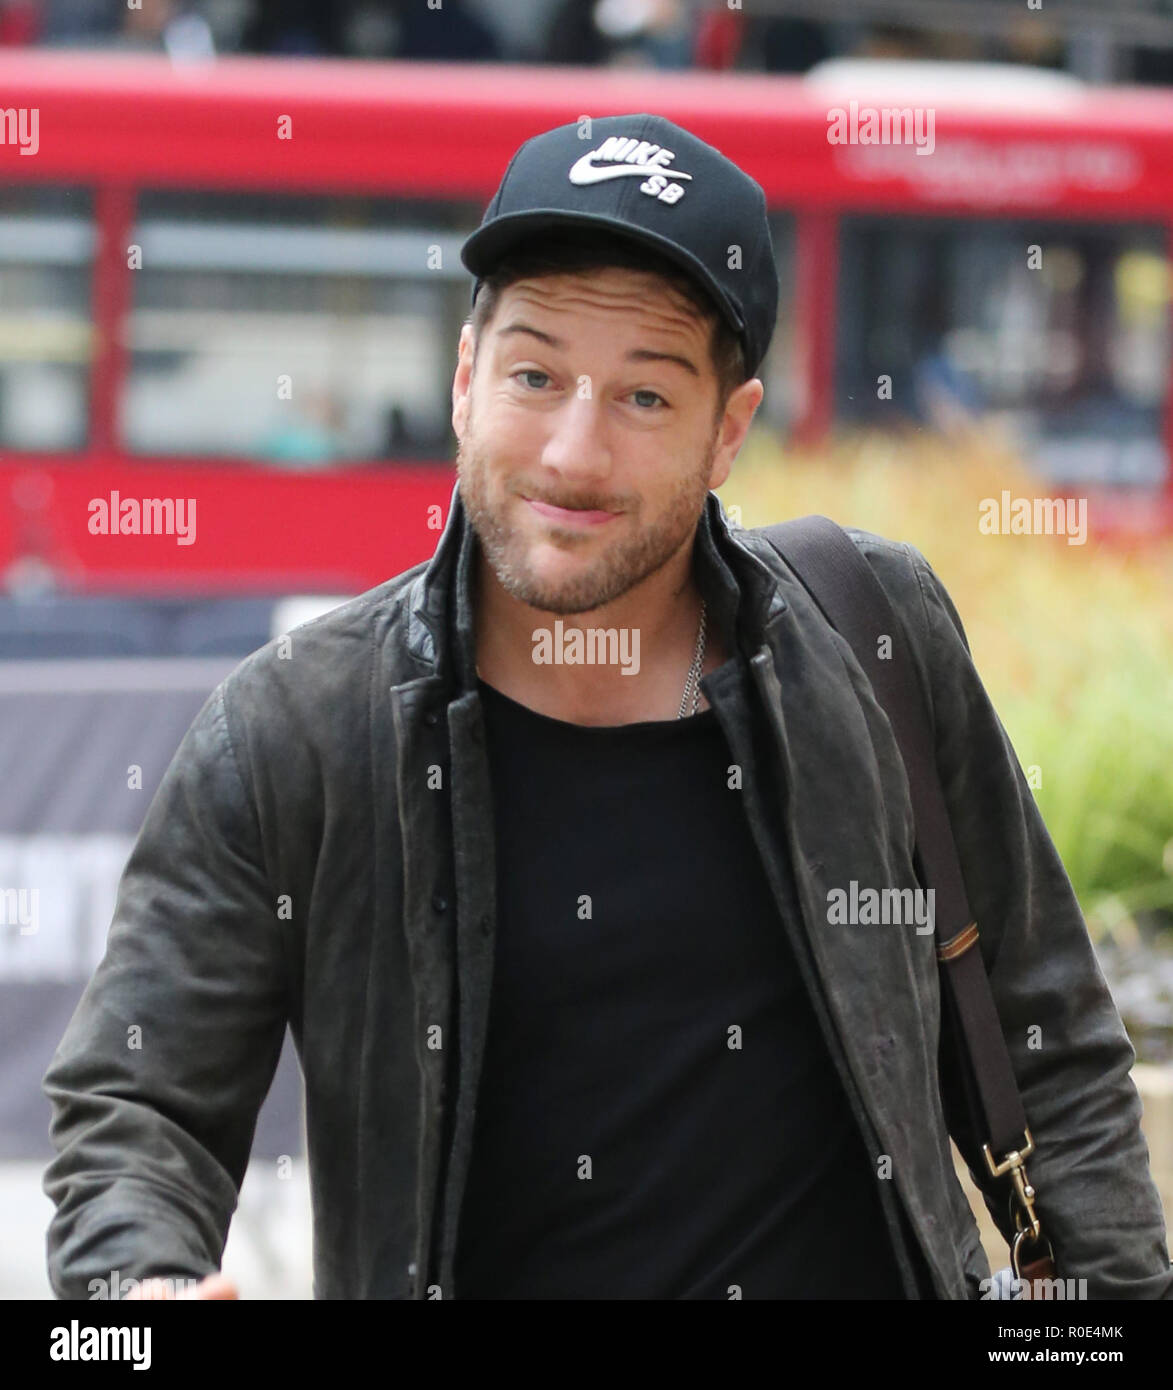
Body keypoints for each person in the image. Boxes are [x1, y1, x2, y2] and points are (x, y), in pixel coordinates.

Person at [42, 114, 1172, 1300]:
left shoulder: (871, 629)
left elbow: (1046, 1033)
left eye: (644, 396)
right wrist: (138, 1291)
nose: (575, 453)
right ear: (467, 381)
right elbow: (135, 1100)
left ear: (728, 431)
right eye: (536, 375)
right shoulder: (296, 726)